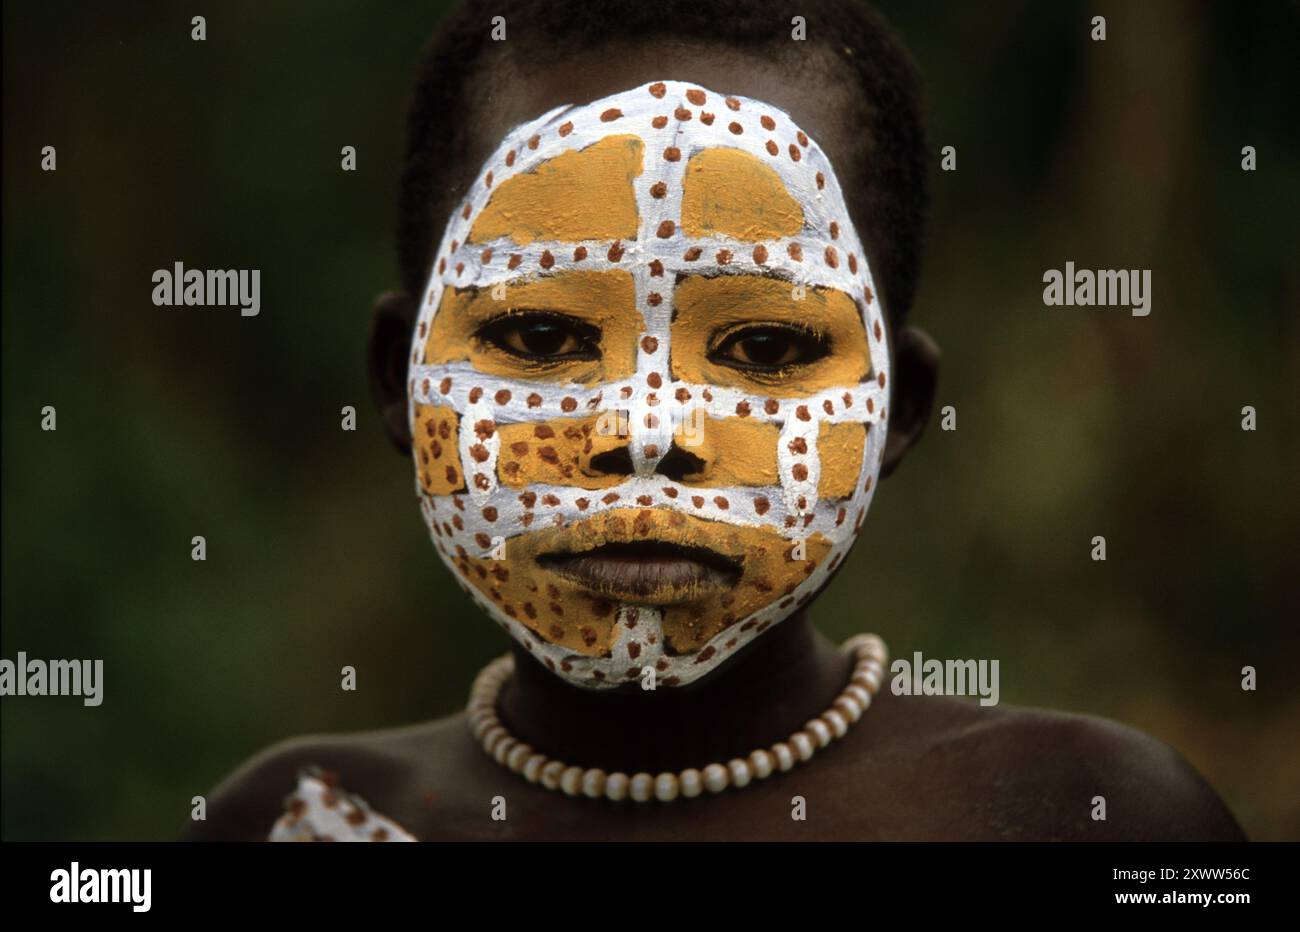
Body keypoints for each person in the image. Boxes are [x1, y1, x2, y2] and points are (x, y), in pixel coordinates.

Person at [182, 0, 1245, 842]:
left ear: (901, 409)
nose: (647, 428)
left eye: (767, 348)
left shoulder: (1081, 814)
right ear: (395, 381)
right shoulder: (298, 818)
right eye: (543, 339)